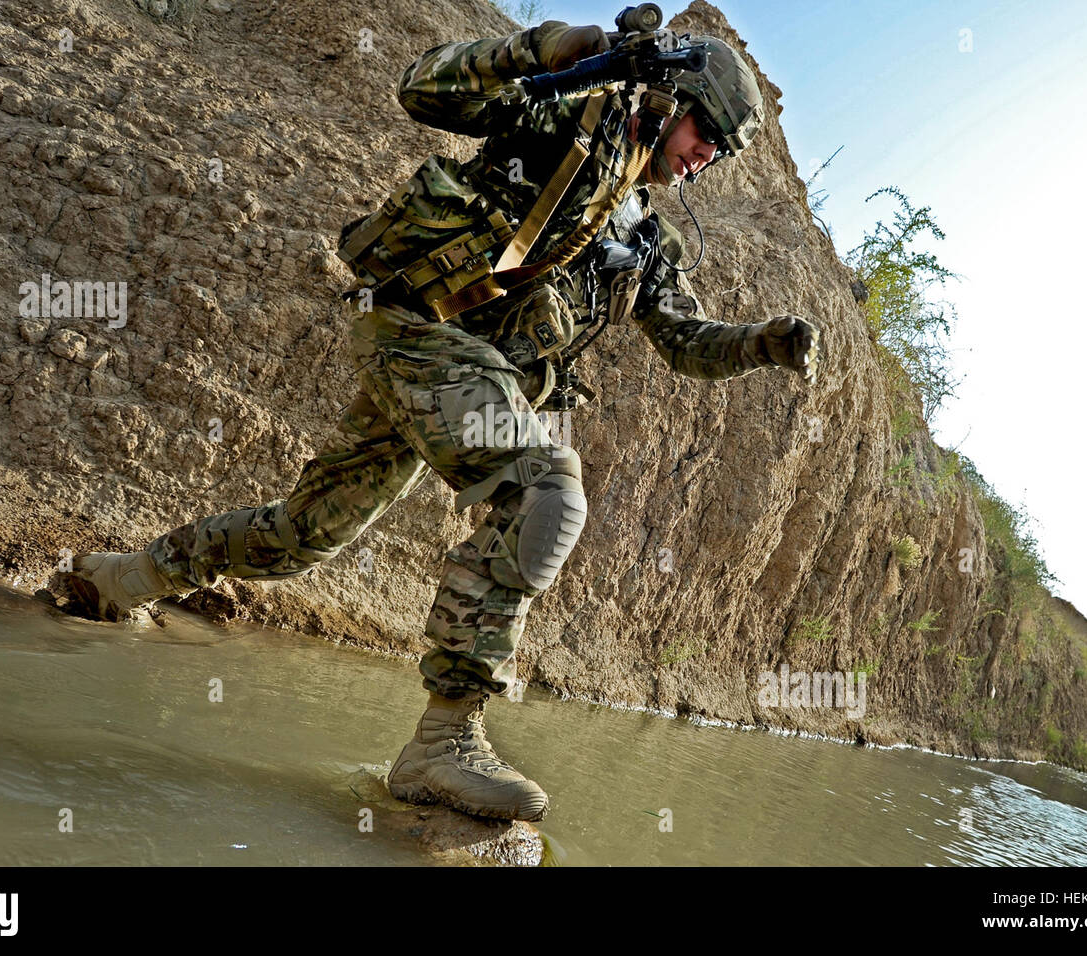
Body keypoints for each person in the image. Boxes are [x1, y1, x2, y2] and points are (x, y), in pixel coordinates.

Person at [65, 20, 821, 823]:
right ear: (669, 97)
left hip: (462, 373)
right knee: (545, 492)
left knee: (302, 536)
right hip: (414, 328)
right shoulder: (572, 115)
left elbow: (685, 343)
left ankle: (121, 581)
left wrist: (763, 343)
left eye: (720, 153)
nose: (705, 157)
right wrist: (543, 52)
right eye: (706, 131)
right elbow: (424, 89)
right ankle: (443, 741)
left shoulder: (647, 235)